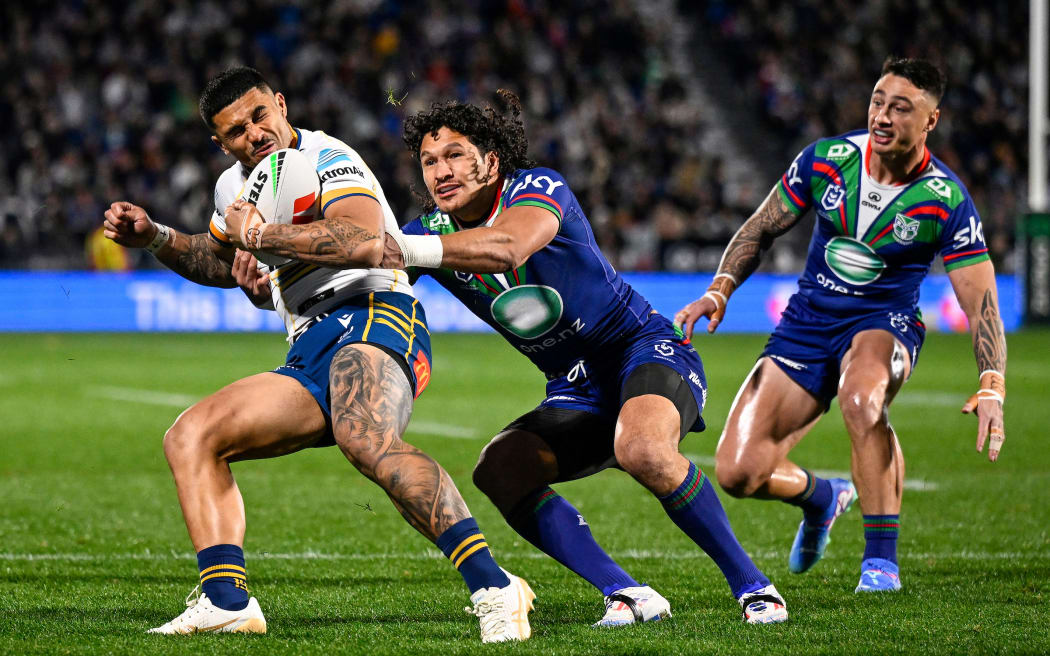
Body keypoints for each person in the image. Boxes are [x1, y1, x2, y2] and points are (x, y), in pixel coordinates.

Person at [102, 66, 534, 642]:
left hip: (376, 312)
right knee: (191, 435)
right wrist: (155, 236)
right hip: (308, 343)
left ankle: (495, 588)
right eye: (236, 131)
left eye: (260, 116)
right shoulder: (233, 188)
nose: (254, 134)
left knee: (365, 437)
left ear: (281, 105)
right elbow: (216, 257)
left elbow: (362, 239)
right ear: (220, 142)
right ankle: (227, 601)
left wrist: (261, 241)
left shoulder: (327, 158)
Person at [385, 91, 788, 626]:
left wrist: (401, 249)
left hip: (643, 349)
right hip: (575, 387)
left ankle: (755, 587)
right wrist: (264, 266)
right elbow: (363, 274)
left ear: (491, 162)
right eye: (430, 162)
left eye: (456, 154)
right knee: (500, 470)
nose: (441, 171)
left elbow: (508, 246)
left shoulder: (536, 188)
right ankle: (628, 593)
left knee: (643, 448)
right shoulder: (428, 233)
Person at [674, 57, 1007, 592]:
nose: (883, 115)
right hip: (807, 322)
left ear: (930, 121)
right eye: (878, 100)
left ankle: (880, 562)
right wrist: (720, 289)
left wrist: (992, 383)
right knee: (737, 472)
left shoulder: (945, 199)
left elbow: (982, 302)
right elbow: (762, 228)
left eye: (902, 108)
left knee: (860, 399)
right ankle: (823, 498)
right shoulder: (828, 160)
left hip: (883, 322)